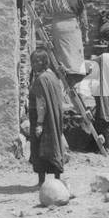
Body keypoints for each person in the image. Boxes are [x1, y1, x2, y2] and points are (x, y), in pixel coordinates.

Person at [27, 49, 68, 186]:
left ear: (44, 62)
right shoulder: (52, 77)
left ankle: (41, 181)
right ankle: (57, 179)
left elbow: (41, 104)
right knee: (54, 144)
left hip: (42, 118)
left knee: (40, 149)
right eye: (32, 61)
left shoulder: (41, 79)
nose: (33, 64)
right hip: (54, 118)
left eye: (36, 61)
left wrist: (39, 123)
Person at [37, 0, 89, 77]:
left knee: (61, 50)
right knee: (74, 49)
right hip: (72, 27)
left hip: (58, 26)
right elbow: (83, 18)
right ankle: (75, 70)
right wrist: (86, 34)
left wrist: (41, 20)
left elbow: (45, 7)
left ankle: (64, 70)